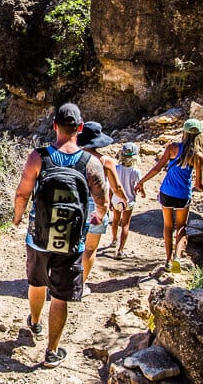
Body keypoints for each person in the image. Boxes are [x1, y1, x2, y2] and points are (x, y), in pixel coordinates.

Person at [14, 103, 108, 368]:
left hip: (39, 236)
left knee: (37, 282)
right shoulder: (90, 162)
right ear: (79, 128)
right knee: (60, 297)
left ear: (54, 125)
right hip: (72, 239)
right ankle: (52, 352)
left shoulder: (38, 156)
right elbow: (102, 199)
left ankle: (34, 323)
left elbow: (22, 193)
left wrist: (18, 217)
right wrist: (99, 216)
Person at [134, 118, 203, 273]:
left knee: (168, 226)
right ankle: (177, 257)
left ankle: (168, 260)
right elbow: (198, 184)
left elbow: (157, 168)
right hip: (183, 194)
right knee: (181, 227)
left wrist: (141, 182)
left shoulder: (172, 148)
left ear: (183, 132)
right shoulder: (198, 156)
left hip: (166, 192)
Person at [76, 121, 129, 294]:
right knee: (90, 249)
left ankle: (59, 281)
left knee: (70, 246)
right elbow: (116, 187)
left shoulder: (73, 157)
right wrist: (124, 199)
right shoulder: (106, 161)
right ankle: (79, 285)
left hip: (74, 206)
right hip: (96, 208)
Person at [110, 142, 142, 259]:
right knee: (125, 224)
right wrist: (142, 193)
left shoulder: (116, 168)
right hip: (129, 201)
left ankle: (113, 240)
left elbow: (111, 187)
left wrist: (109, 200)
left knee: (115, 220)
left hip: (115, 199)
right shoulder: (136, 171)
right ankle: (120, 250)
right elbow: (138, 186)